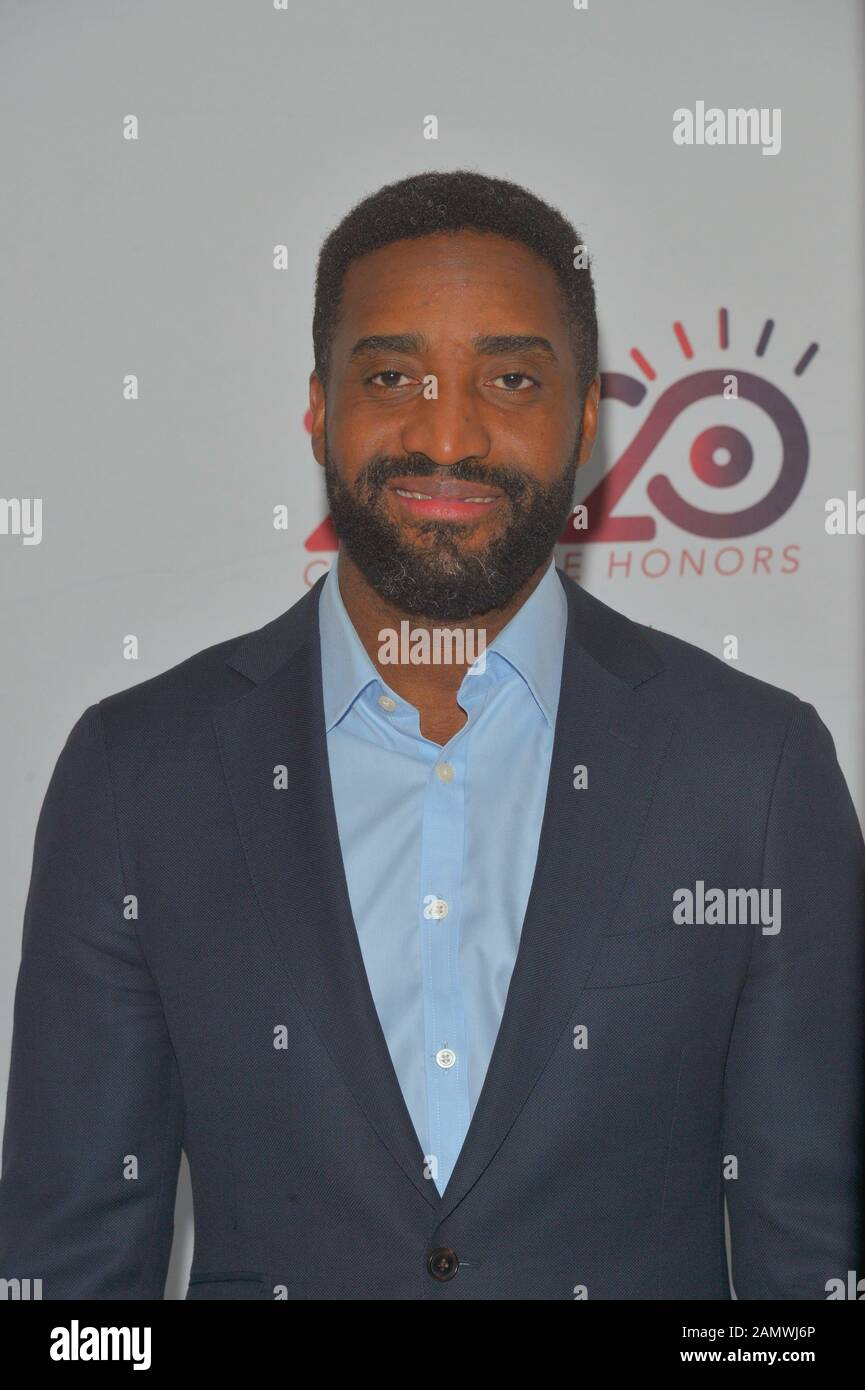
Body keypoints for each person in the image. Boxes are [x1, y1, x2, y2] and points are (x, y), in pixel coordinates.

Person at [1, 170, 862, 1300]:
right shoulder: (140, 771)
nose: (446, 432)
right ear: (317, 405)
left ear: (585, 423)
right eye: (392, 374)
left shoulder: (752, 771)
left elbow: (814, 1260)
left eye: (508, 377)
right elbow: (71, 1278)